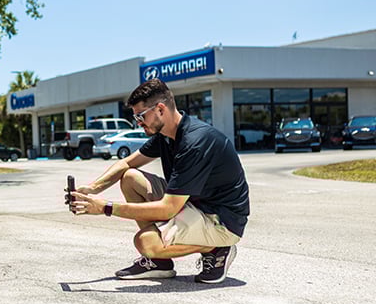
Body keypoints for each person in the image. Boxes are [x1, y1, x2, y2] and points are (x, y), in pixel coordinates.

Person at [69, 78, 249, 284]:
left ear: (160, 109)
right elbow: (126, 164)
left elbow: (168, 209)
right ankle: (159, 263)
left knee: (145, 242)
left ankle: (217, 249)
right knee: (130, 178)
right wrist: (91, 189)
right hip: (193, 204)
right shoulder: (166, 135)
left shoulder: (195, 142)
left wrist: (105, 208)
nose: (138, 122)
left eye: (141, 115)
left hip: (220, 221)